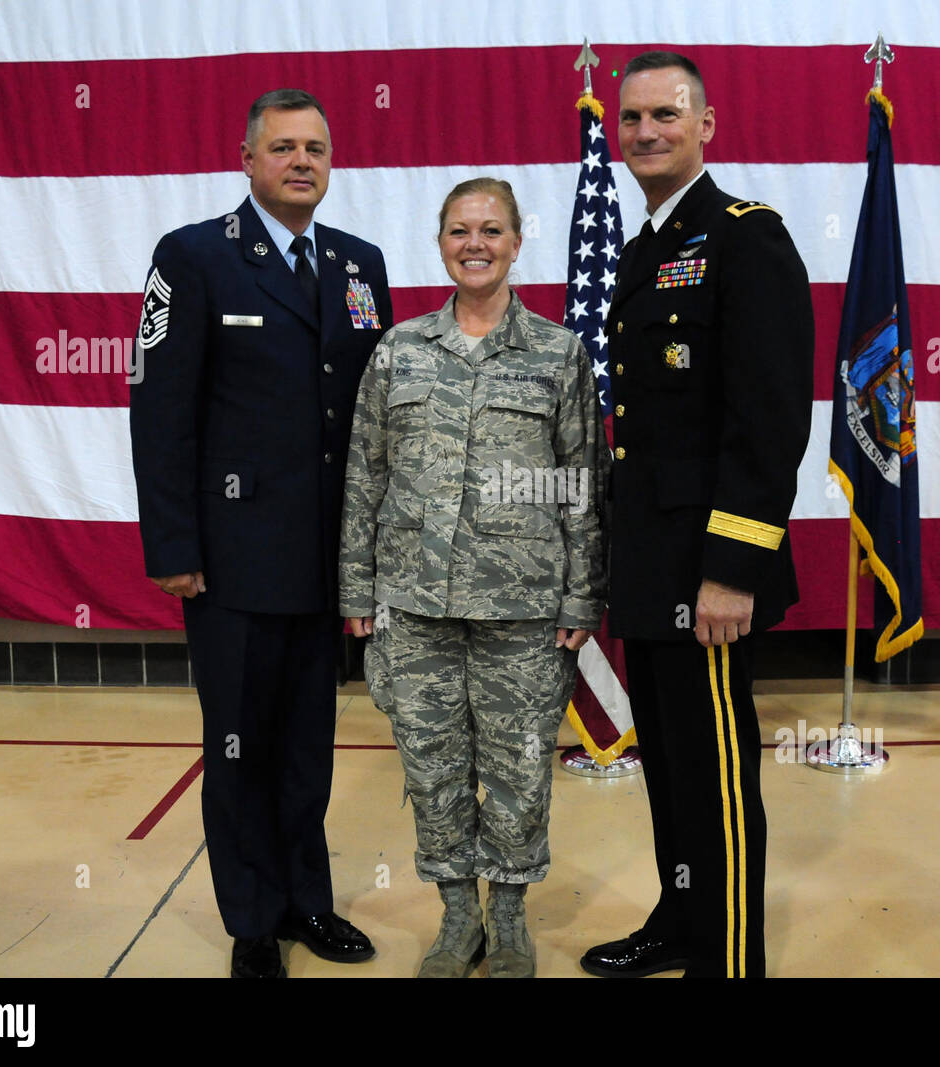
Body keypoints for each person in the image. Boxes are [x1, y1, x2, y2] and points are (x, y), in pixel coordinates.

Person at [129, 88, 392, 978]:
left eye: (316, 146)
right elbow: (160, 414)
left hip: (325, 562)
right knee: (239, 744)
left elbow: (372, 419)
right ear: (247, 160)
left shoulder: (359, 265)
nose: (302, 161)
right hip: (234, 562)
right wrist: (173, 547)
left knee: (308, 744)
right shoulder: (194, 257)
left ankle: (307, 901)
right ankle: (250, 920)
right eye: (282, 147)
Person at [579, 52, 814, 979]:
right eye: (629, 119)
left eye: (664, 116)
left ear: (705, 126)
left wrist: (731, 569)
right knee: (672, 764)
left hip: (708, 568)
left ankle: (730, 960)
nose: (644, 132)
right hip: (650, 560)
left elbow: (768, 419)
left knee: (718, 774)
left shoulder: (743, 236)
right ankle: (682, 919)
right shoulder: (646, 247)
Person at [340, 178, 607, 978]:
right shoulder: (399, 349)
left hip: (523, 613)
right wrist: (358, 590)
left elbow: (581, 482)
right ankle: (458, 920)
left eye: (492, 229)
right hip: (415, 608)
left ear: (518, 242)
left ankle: (513, 920)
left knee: (521, 771)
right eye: (460, 230)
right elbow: (366, 474)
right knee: (432, 768)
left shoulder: (558, 352)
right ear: (442, 241)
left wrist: (581, 592)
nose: (475, 243)